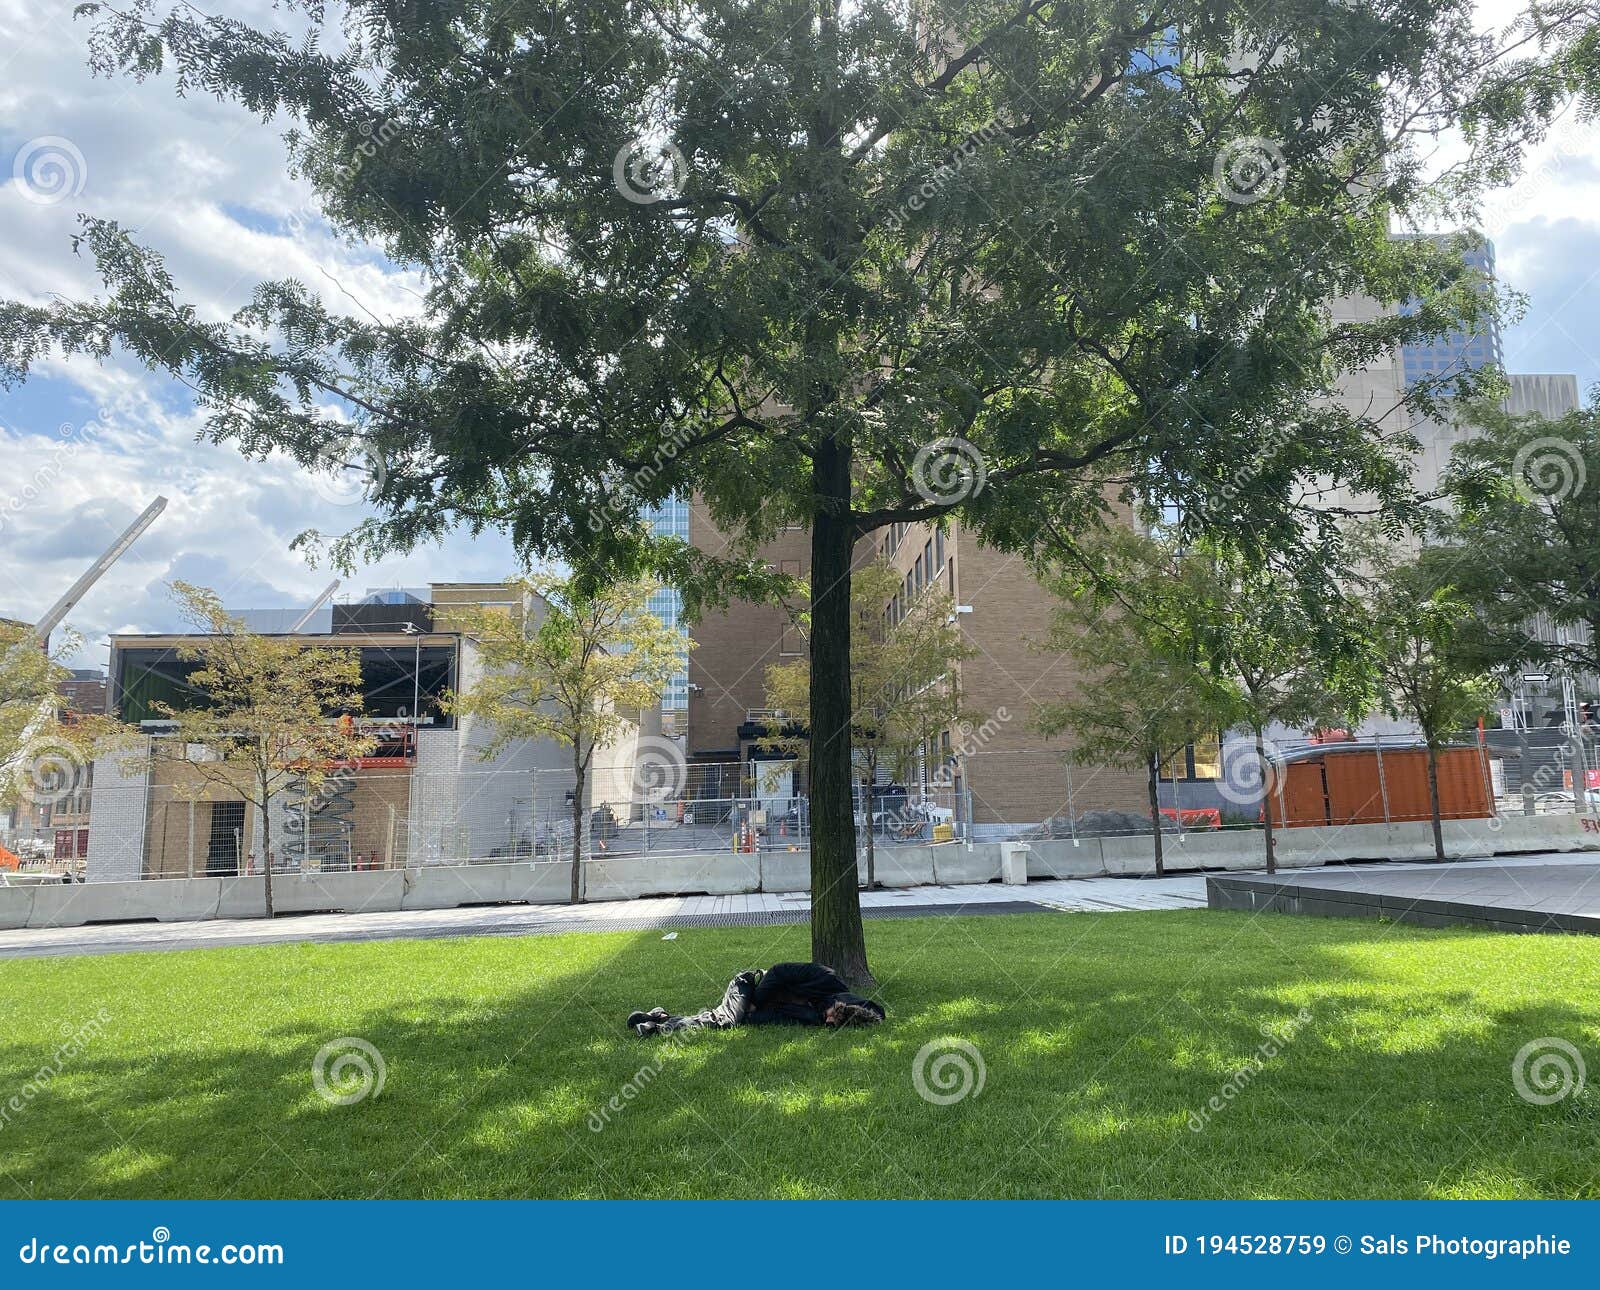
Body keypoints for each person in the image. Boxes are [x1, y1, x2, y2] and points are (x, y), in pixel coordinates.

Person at [627, 962, 885, 1035]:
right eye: (832, 1016)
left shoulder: (813, 1015)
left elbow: (877, 1011)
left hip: (757, 1002)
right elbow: (778, 971)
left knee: (727, 1020)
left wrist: (753, 1015)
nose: (827, 1022)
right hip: (748, 985)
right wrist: (756, 1001)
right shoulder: (824, 978)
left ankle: (660, 1020)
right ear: (835, 1003)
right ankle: (660, 1027)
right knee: (728, 1020)